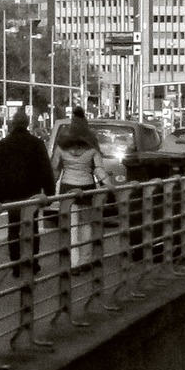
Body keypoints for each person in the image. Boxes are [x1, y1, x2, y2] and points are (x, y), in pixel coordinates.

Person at [0, 109, 55, 274]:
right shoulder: (36, 143)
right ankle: (32, 262)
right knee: (32, 228)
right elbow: (45, 170)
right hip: (31, 193)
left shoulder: (3, 144)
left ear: (13, 124)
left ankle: (15, 265)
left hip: (12, 194)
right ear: (28, 124)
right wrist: (49, 192)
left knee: (13, 229)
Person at [53, 108, 113, 268]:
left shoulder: (61, 143)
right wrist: (108, 185)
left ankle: (73, 263)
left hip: (67, 188)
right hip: (87, 187)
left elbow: (55, 168)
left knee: (70, 227)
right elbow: (98, 169)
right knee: (86, 224)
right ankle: (86, 260)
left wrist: (50, 188)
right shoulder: (91, 143)